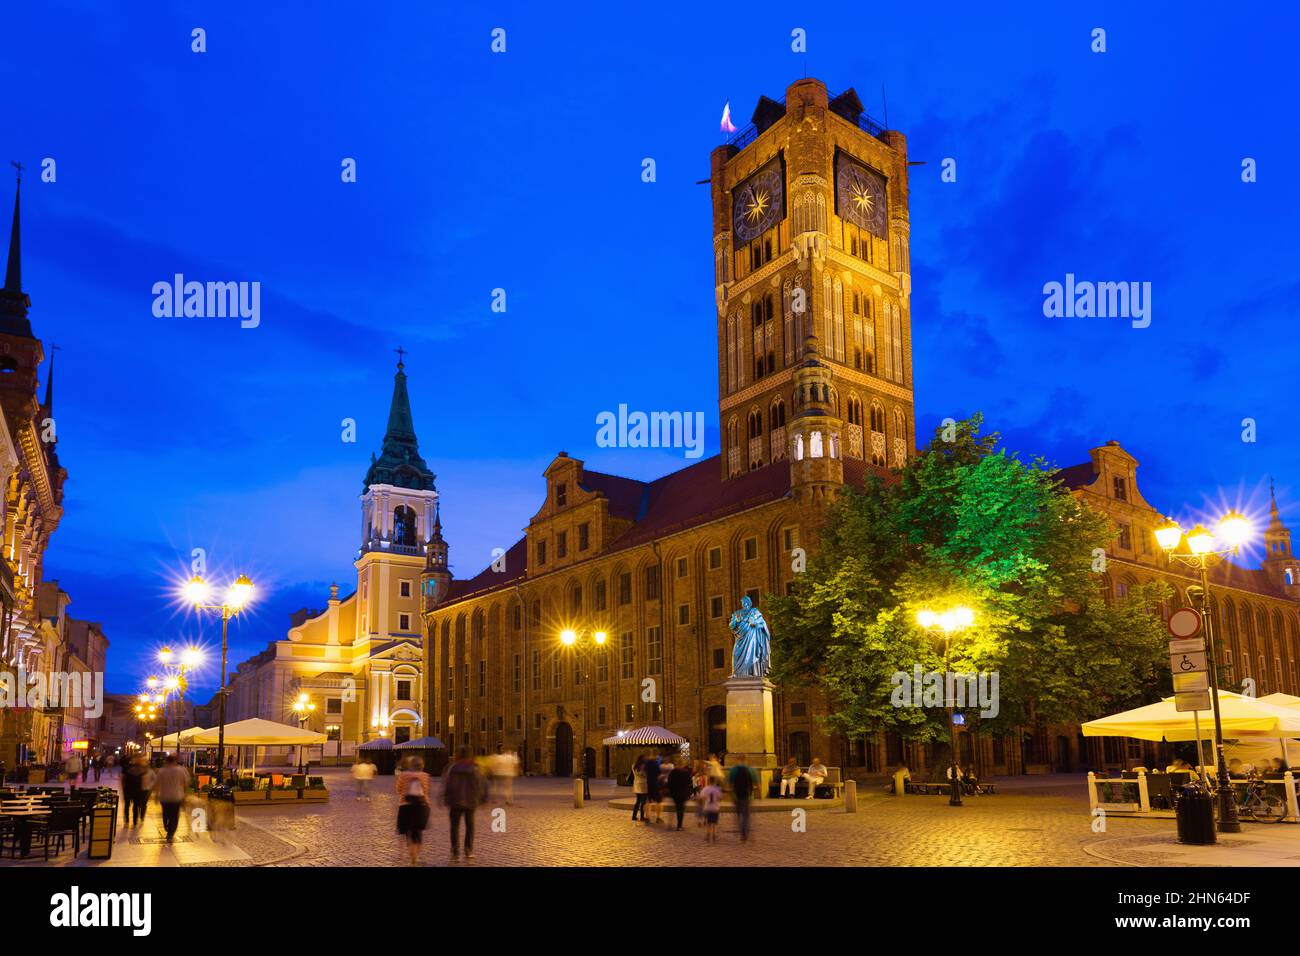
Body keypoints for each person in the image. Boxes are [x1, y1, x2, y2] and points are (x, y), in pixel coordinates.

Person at [442, 747, 484, 862]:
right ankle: (468, 850)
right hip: (470, 801)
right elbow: (480, 783)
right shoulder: (474, 767)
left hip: (455, 801)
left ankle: (455, 851)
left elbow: (448, 784)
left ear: (458, 755)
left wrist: (445, 797)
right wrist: (482, 797)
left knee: (454, 827)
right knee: (470, 826)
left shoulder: (452, 768)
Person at [395, 755, 431, 865]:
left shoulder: (403, 775)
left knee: (408, 832)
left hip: (406, 806)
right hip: (421, 806)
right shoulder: (425, 776)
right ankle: (416, 855)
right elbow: (426, 791)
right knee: (418, 832)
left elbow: (398, 789)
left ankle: (412, 853)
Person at [154, 754, 191, 843]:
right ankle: (170, 833)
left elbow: (157, 784)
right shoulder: (181, 770)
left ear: (167, 761)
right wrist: (184, 793)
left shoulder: (161, 771)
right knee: (174, 816)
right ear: (175, 761)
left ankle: (166, 826)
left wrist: (156, 795)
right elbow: (186, 783)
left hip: (164, 797)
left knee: (165, 813)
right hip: (177, 797)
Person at [728, 758, 758, 841]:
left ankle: (741, 830)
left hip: (736, 795)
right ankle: (745, 833)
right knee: (746, 815)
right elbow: (756, 784)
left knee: (738, 814)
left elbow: (730, 784)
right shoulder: (751, 770)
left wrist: (731, 792)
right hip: (748, 796)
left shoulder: (733, 770)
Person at [667, 758, 695, 830]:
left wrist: (670, 791)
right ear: (683, 764)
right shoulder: (686, 772)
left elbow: (669, 783)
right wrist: (690, 793)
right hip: (683, 793)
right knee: (681, 809)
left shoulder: (673, 772)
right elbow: (690, 783)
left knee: (675, 808)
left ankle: (670, 824)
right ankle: (679, 825)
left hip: (675, 793)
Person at [699, 776, 723, 843]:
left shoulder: (706, 788)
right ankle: (714, 836)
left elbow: (702, 797)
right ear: (714, 781)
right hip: (715, 808)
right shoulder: (717, 789)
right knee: (714, 823)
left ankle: (708, 835)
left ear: (708, 781)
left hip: (707, 807)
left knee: (708, 823)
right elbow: (720, 797)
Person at [642, 753, 663, 825]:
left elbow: (644, 773)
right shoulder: (656, 763)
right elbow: (659, 774)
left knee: (649, 801)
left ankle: (647, 818)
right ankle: (658, 818)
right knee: (659, 801)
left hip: (649, 784)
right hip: (656, 784)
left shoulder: (647, 763)